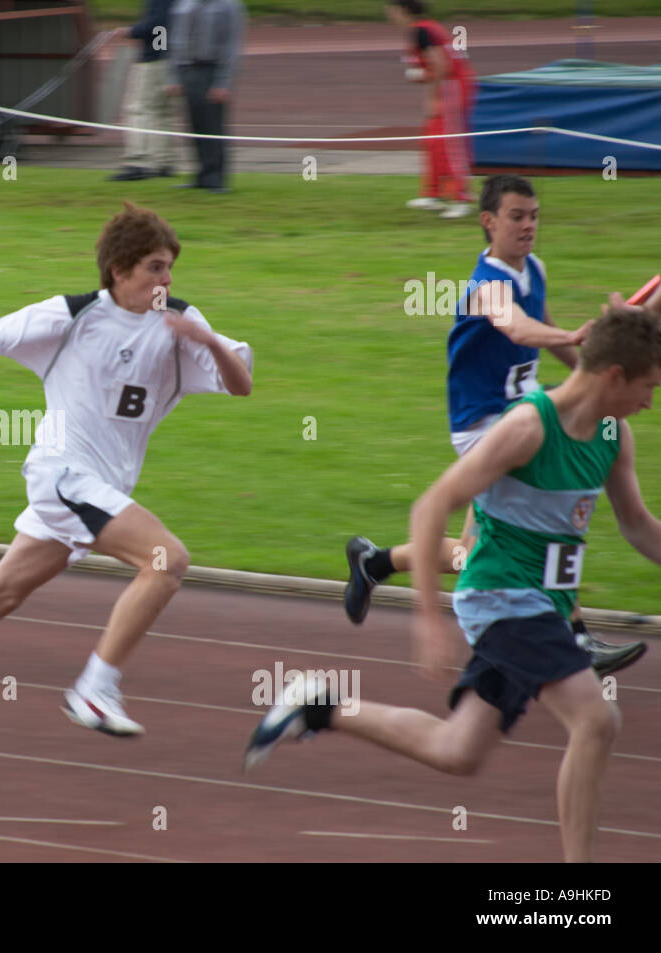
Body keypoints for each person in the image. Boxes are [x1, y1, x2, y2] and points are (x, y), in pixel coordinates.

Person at [247, 307, 661, 863]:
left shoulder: (614, 434)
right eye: (648, 386)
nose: (650, 401)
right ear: (614, 375)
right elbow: (432, 505)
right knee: (596, 718)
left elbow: (638, 526)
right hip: (501, 598)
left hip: (545, 608)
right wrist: (427, 618)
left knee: (458, 750)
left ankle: (319, 706)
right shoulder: (527, 427)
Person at [0, 202, 253, 739]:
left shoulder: (181, 323)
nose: (166, 280)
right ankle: (94, 690)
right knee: (166, 561)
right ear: (119, 271)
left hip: (99, 487)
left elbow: (241, 385)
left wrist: (209, 341)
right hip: (63, 474)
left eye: (170, 267)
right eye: (155, 268)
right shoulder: (72, 315)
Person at [344, 174, 646, 676]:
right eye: (516, 216)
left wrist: (590, 373)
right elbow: (517, 326)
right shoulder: (485, 286)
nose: (528, 225)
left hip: (523, 408)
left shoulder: (535, 270)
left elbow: (544, 332)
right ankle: (575, 635)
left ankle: (373, 562)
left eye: (533, 216)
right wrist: (571, 332)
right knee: (551, 504)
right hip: (483, 420)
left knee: (468, 552)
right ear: (488, 222)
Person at [385, 0, 476, 219]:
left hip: (452, 87)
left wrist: (428, 89)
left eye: (392, 9)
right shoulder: (422, 29)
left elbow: (441, 67)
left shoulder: (422, 31)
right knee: (432, 141)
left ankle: (461, 198)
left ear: (403, 10)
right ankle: (433, 193)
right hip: (445, 87)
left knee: (450, 144)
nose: (389, 14)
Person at [167, 0, 247, 195]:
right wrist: (174, 76)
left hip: (212, 69)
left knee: (213, 126)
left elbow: (231, 47)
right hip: (187, 68)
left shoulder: (229, 6)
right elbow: (175, 41)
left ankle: (216, 178)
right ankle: (201, 174)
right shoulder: (184, 4)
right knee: (195, 126)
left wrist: (222, 83)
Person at [109, 0, 178, 183]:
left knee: (139, 108)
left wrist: (131, 31)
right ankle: (163, 160)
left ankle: (139, 161)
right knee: (162, 112)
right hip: (168, 58)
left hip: (154, 61)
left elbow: (157, 25)